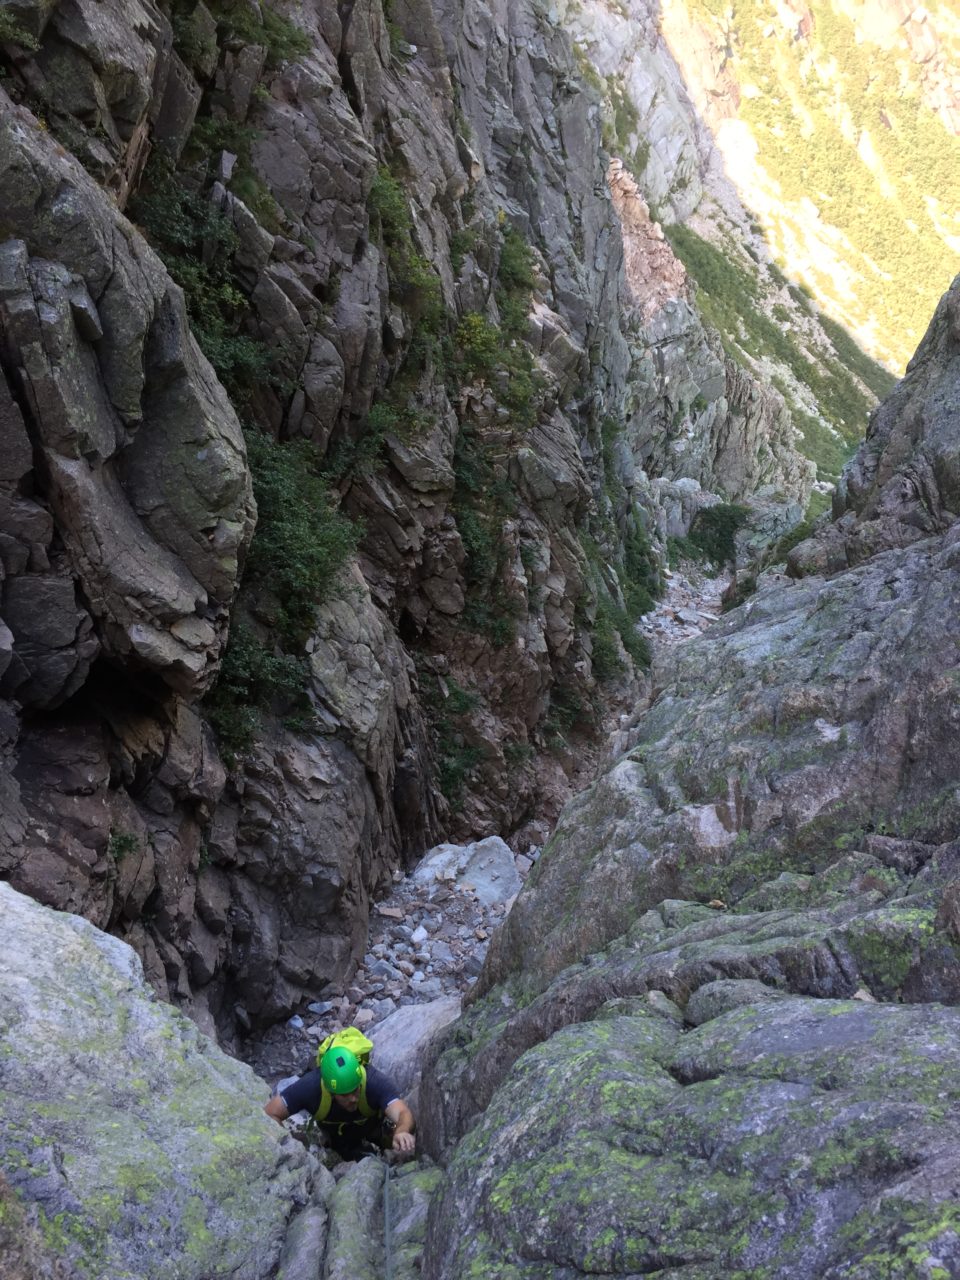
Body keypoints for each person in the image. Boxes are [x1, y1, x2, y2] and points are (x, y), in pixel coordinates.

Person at [265, 1044, 416, 1162]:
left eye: (356, 1090)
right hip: (338, 1139)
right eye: (345, 1094)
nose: (353, 1098)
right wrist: (290, 1147)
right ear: (330, 1092)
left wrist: (401, 1131)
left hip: (371, 1127)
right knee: (347, 1152)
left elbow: (403, 1113)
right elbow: (271, 1112)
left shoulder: (373, 1081)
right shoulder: (310, 1087)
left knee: (387, 1136)